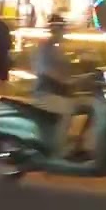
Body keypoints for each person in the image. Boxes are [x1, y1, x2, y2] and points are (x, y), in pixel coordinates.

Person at [32, 15, 75, 154]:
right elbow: (45, 70)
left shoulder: (59, 48)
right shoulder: (45, 48)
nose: (62, 33)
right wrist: (64, 80)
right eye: (59, 29)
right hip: (46, 92)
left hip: (57, 91)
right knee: (67, 111)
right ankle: (56, 150)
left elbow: (66, 70)